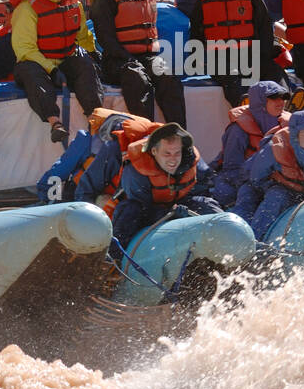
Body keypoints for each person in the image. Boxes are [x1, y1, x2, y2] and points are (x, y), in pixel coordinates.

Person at [88, 0, 186, 126]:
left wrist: (140, 59)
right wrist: (129, 58)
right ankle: (145, 133)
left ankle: (178, 134)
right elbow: (106, 40)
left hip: (146, 56)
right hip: (116, 61)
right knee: (137, 78)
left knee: (168, 76)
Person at [11, 0, 102, 143]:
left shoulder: (73, 3)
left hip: (65, 58)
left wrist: (93, 52)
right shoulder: (26, 9)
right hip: (37, 62)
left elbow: (82, 34)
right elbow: (24, 49)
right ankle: (55, 123)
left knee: (85, 64)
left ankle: (97, 121)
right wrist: (51, 69)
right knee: (31, 73)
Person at [188, 0, 289, 108]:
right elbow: (196, 30)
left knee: (272, 69)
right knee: (230, 77)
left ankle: (285, 97)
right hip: (220, 57)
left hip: (250, 52)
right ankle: (243, 103)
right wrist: (198, 59)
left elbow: (264, 27)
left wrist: (264, 54)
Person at [110, 123, 221, 257]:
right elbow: (142, 207)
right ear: (154, 151)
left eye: (177, 153)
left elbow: (205, 190)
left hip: (181, 206)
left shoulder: (194, 163)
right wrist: (171, 214)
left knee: (208, 205)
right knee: (129, 211)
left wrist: (186, 215)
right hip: (146, 211)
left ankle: (232, 247)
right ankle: (115, 259)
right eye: (167, 153)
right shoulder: (135, 171)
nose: (173, 160)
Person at [244, 108, 304, 240]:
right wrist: (272, 188)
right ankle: (257, 242)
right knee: (275, 198)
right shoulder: (275, 148)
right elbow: (257, 178)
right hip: (286, 190)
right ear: (295, 137)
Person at [211, 80, 290, 209]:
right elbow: (231, 169)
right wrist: (260, 184)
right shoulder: (238, 130)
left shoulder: (288, 124)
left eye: (284, 97)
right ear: (261, 102)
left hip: (278, 179)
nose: (281, 102)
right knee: (228, 194)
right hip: (242, 179)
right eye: (274, 98)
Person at [74, 111, 159, 214]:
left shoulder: (176, 155)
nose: (172, 158)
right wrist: (84, 217)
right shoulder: (113, 149)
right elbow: (86, 187)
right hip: (110, 204)